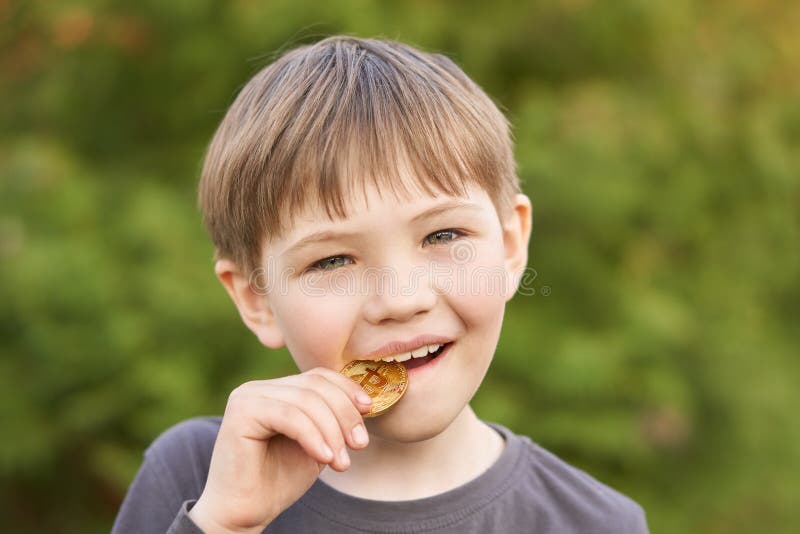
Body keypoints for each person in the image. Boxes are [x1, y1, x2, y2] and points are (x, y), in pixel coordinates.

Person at [112, 35, 649, 533]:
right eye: (331, 261)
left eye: (443, 233)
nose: (401, 300)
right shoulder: (200, 478)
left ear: (509, 247)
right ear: (258, 299)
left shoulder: (597, 523)